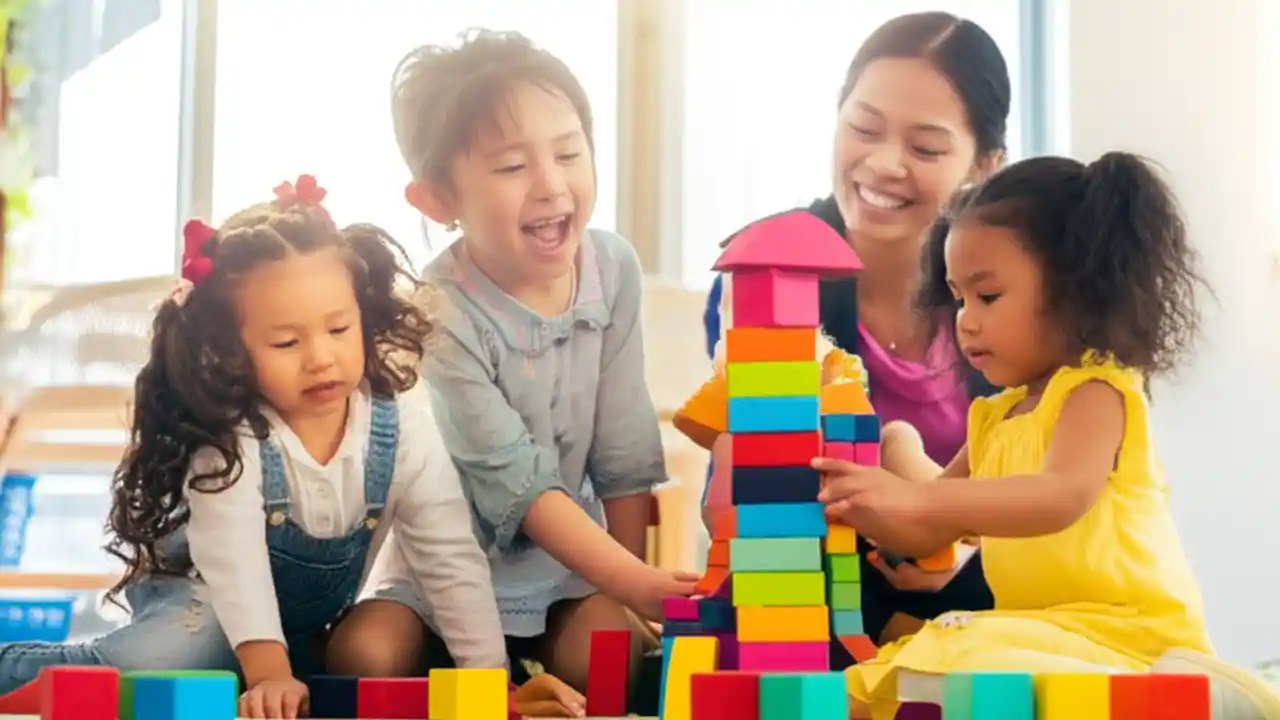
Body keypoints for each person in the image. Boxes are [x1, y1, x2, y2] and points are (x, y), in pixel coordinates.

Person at [0, 176, 507, 719]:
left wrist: (489, 678)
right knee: (174, 657)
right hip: (204, 598)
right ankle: (16, 668)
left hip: (301, 621)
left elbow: (448, 553)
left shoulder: (401, 421)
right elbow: (235, 560)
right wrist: (269, 674)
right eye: (287, 342)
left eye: (338, 328)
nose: (320, 357)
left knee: (331, 672)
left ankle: (264, 662)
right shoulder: (232, 437)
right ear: (232, 350)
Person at [818, 152, 1280, 720]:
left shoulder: (1094, 391)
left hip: (1126, 634)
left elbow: (1057, 496)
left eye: (987, 297)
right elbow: (928, 526)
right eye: (959, 299)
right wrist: (848, 497)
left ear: (1075, 290)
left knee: (965, 656)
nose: (965, 319)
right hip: (1042, 632)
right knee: (913, 662)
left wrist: (917, 494)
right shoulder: (995, 419)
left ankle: (1205, 693)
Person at [360, 29, 696, 702]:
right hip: (449, 577)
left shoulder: (611, 267)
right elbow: (512, 480)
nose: (552, 185)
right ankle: (489, 691)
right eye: (512, 167)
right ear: (437, 200)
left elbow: (623, 447)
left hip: (569, 570)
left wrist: (623, 585)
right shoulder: (440, 309)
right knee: (369, 654)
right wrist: (637, 584)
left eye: (570, 152)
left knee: (612, 653)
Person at [703, 11, 1009, 649]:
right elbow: (769, 474)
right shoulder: (769, 266)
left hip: (981, 591)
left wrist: (960, 553)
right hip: (818, 587)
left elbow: (1047, 479)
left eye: (925, 148)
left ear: (984, 164)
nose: (884, 164)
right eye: (863, 128)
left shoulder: (1013, 291)